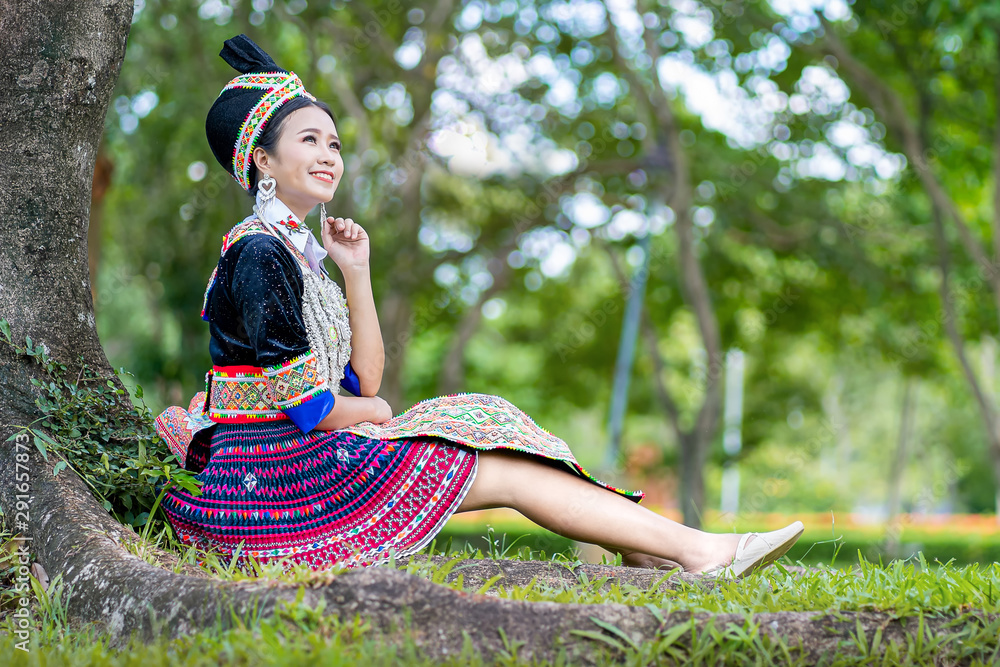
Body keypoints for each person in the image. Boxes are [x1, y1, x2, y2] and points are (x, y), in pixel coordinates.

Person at [153, 34, 803, 580]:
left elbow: (364, 380)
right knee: (495, 466)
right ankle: (699, 551)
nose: (328, 156)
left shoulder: (300, 255)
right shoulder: (258, 252)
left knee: (486, 416)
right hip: (269, 479)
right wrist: (376, 416)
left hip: (298, 454)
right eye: (310, 141)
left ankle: (647, 545)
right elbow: (310, 406)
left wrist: (358, 271)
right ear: (262, 159)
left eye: (335, 144)